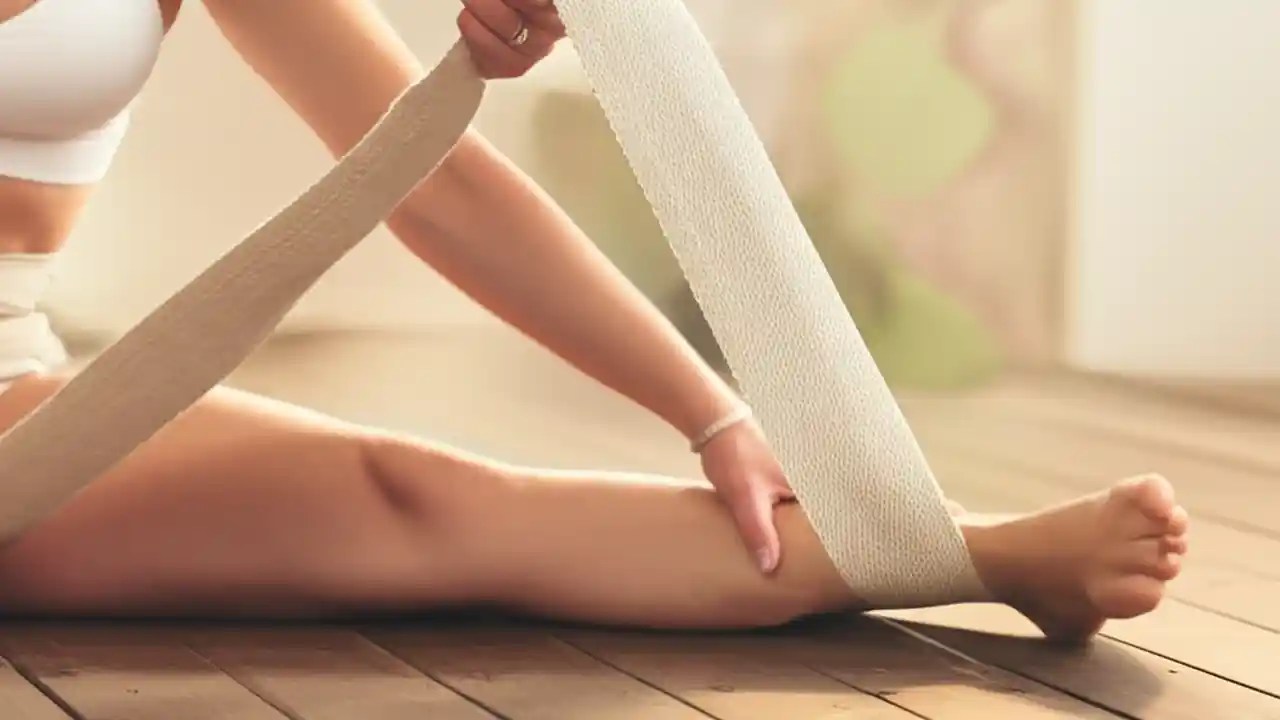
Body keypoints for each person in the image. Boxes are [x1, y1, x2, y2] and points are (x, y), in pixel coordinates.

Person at [0, 0, 1187, 642]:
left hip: (15, 412)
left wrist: (708, 408)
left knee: (414, 496)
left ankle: (959, 552)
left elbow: (432, 182)